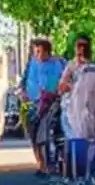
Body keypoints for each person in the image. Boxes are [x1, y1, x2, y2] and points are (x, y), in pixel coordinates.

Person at [58, 36, 95, 182]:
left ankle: (93, 173)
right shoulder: (71, 66)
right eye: (78, 46)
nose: (80, 50)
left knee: (94, 142)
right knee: (78, 141)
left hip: (92, 111)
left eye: (83, 47)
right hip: (74, 110)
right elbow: (61, 88)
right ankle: (79, 173)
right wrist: (71, 85)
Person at [20, 38, 66, 176]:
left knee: (48, 135)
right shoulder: (31, 63)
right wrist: (23, 93)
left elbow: (62, 81)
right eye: (35, 51)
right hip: (33, 105)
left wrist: (53, 96)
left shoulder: (58, 63)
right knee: (34, 136)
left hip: (52, 104)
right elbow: (24, 81)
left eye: (39, 51)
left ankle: (51, 165)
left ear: (47, 52)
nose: (37, 54)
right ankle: (40, 164)